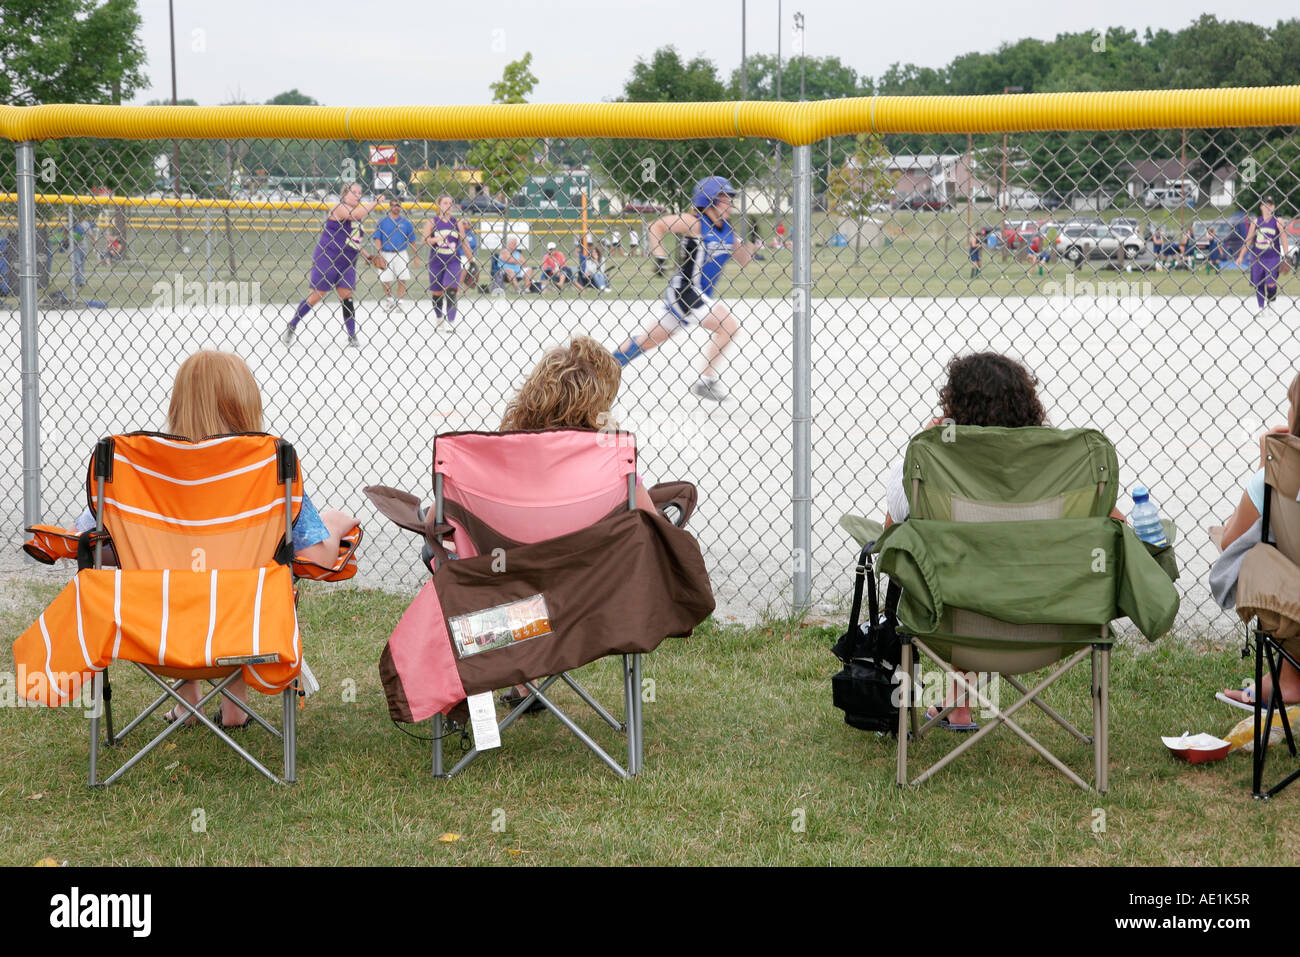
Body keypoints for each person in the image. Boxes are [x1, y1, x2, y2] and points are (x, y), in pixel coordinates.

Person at [64, 351, 358, 728]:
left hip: (157, 627)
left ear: (178, 403)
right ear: (246, 402)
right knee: (244, 578)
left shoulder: (132, 467)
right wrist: (333, 525)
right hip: (245, 623)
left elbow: (84, 540)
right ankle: (236, 708)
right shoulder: (268, 466)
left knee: (186, 580)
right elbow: (316, 557)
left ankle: (187, 703)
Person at [880, 353, 1126, 730]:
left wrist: (927, 446)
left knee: (961, 568)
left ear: (953, 405)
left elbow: (889, 538)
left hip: (952, 627)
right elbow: (1115, 526)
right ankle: (956, 702)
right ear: (1027, 404)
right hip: (1052, 625)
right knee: (995, 569)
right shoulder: (1062, 465)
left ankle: (956, 703)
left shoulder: (927, 461)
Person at [498, 336, 658, 711]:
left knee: (438, 550)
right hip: (591, 608)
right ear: (597, 407)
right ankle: (527, 687)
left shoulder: (491, 458)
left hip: (502, 611)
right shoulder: (614, 464)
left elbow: (441, 519)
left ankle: (524, 683)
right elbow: (654, 524)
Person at [611, 176, 758, 403]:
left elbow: (744, 260)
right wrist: (660, 256)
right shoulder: (695, 222)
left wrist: (754, 241)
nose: (730, 203)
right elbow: (656, 226)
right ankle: (705, 381)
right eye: (725, 198)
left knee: (647, 341)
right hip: (685, 290)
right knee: (728, 326)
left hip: (696, 296)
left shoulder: (728, 230)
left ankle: (604, 366)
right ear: (709, 200)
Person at [1216, 371, 1300, 709]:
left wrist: (1272, 465)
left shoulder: (1280, 472)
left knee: (1263, 555)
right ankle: (1285, 680)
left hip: (1293, 608)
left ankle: (1288, 681)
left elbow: (1228, 542)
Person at [283, 183, 386, 348]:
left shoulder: (358, 218)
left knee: (347, 296)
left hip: (347, 261)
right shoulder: (339, 208)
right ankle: (293, 324)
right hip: (328, 258)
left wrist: (368, 256)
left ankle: (352, 334)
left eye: (360, 192)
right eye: (354, 192)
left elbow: (354, 241)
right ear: (345, 194)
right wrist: (376, 202)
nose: (358, 195)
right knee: (317, 295)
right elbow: (354, 214)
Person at [423, 195, 471, 331]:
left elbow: (464, 241)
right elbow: (425, 240)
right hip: (436, 261)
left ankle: (451, 321)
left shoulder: (457, 223)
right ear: (439, 206)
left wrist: (471, 261)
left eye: (450, 203)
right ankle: (439, 317)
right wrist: (438, 238)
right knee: (437, 293)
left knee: (451, 290)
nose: (448, 205)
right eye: (445, 203)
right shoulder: (432, 222)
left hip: (453, 260)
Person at [1236, 196, 1290, 315]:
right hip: (1257, 257)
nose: (1267, 207)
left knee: (1270, 282)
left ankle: (1271, 302)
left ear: (1274, 207)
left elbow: (1284, 238)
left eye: (1270, 205)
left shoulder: (1277, 221)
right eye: (1265, 204)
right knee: (1258, 283)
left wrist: (1286, 255)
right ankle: (1261, 307)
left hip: (1272, 257)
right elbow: (1248, 240)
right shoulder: (1256, 222)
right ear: (1261, 206)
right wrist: (1241, 256)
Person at [373, 199, 419, 313]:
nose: (396, 207)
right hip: (385, 252)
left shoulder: (406, 223)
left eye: (398, 205)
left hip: (401, 252)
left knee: (402, 278)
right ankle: (390, 300)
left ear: (401, 207)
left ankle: (400, 302)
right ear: (389, 207)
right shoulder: (382, 221)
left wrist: (416, 256)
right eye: (394, 205)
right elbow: (378, 239)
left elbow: (412, 241)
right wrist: (379, 254)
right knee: (384, 278)